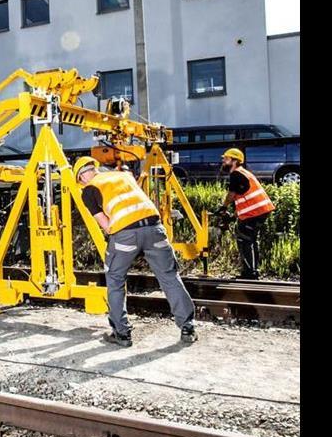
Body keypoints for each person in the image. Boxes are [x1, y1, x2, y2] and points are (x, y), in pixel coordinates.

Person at [74, 156, 197, 346]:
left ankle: (122, 334)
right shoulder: (123, 176)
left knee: (115, 279)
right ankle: (188, 327)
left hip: (125, 235)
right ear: (95, 168)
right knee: (169, 276)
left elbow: (107, 226)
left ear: (81, 177)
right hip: (155, 229)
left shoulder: (88, 191)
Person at [218, 148, 275, 280]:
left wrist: (223, 207)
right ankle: (251, 271)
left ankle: (251, 273)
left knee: (245, 239)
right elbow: (245, 200)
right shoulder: (243, 173)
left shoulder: (236, 174)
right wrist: (233, 216)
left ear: (235, 161)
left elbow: (231, 195)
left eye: (226, 159)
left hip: (256, 212)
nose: (223, 162)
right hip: (258, 211)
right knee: (248, 238)